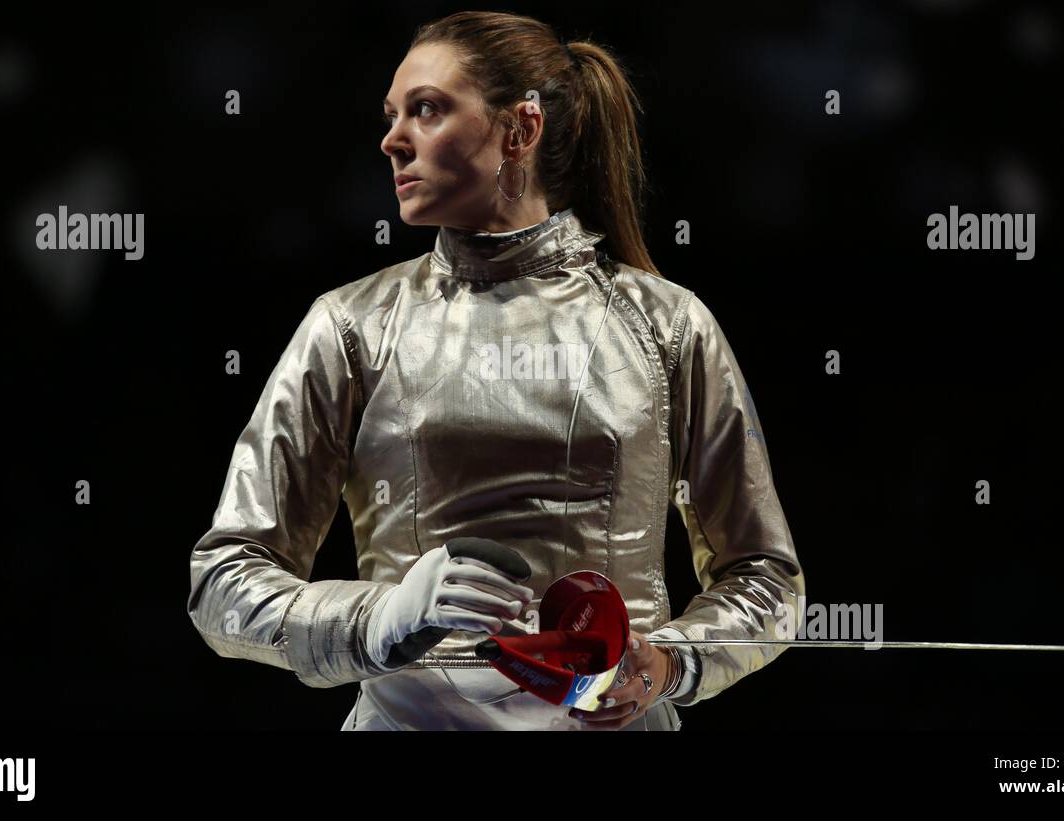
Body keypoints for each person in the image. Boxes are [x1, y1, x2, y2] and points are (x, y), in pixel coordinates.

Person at [186, 11, 805, 731]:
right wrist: (379, 616)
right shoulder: (351, 326)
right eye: (392, 115)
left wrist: (666, 662)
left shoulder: (668, 325)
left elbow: (767, 578)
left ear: (520, 130)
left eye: (426, 109)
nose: (391, 139)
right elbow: (223, 584)